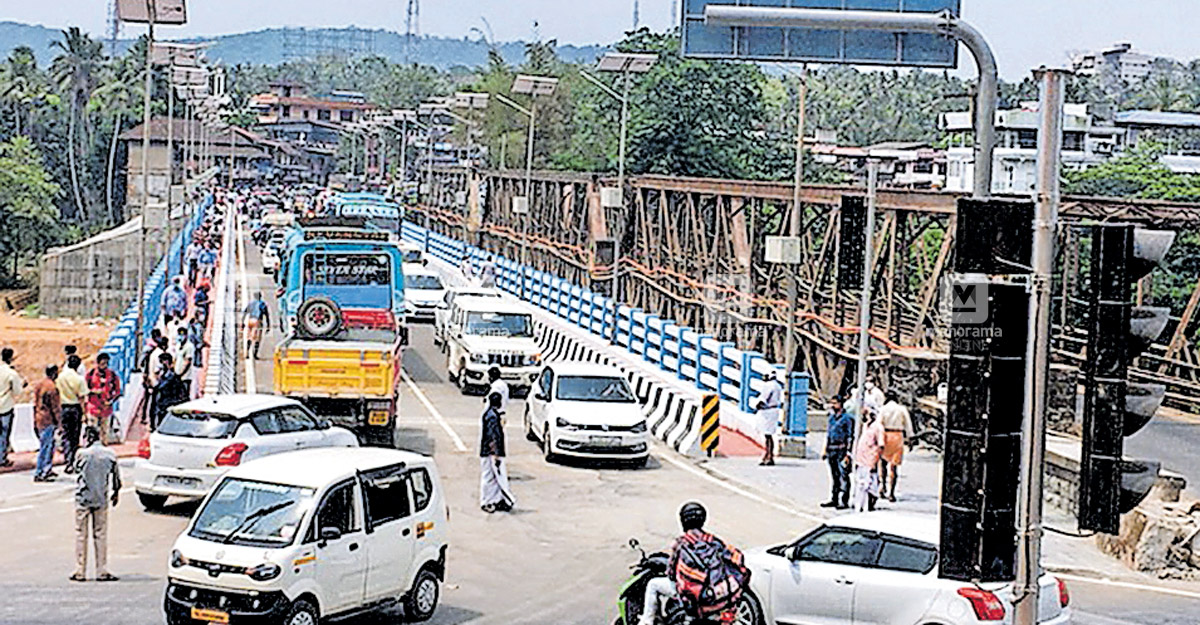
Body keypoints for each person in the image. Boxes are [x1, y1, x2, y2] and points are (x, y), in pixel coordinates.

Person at [639, 502, 747, 625]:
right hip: (722, 598)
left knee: (653, 584)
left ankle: (647, 621)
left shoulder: (681, 545)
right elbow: (736, 559)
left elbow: (671, 574)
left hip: (698, 601)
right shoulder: (713, 540)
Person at [71, 426, 121, 582]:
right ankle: (101, 570)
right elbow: (117, 479)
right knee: (100, 534)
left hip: (83, 498)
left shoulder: (81, 454)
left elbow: (75, 470)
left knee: (81, 534)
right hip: (101, 497)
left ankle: (80, 570)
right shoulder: (110, 454)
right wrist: (115, 493)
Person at [479, 392, 514, 513]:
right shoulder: (492, 417)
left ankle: (497, 499)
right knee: (490, 477)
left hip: (489, 451)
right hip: (491, 453)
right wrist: (496, 454)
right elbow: (493, 436)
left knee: (495, 478)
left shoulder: (489, 413)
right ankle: (486, 501)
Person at [878, 390, 914, 503]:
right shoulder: (901, 409)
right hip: (898, 436)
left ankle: (882, 487)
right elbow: (908, 425)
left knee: (883, 464)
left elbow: (879, 424)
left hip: (885, 435)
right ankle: (891, 493)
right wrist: (910, 438)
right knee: (894, 466)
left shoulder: (883, 409)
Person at [851, 404, 886, 512]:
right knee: (860, 486)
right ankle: (859, 507)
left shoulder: (878, 428)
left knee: (869, 487)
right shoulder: (866, 426)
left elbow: (880, 446)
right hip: (861, 460)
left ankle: (868, 508)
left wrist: (874, 462)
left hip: (869, 462)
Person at [821, 394, 854, 510]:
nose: (833, 405)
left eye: (835, 403)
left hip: (841, 449)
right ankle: (834, 499)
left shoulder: (847, 419)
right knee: (834, 475)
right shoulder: (831, 418)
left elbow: (850, 436)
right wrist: (825, 449)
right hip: (832, 449)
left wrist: (848, 453)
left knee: (843, 475)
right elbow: (829, 434)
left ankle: (844, 500)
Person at [57, 355, 88, 472]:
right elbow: (82, 397)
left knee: (66, 435)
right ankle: (73, 461)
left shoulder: (61, 377)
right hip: (75, 408)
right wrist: (84, 413)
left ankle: (67, 459)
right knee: (75, 437)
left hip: (64, 407)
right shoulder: (79, 379)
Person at [33, 365, 62, 482]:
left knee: (47, 445)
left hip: (39, 418)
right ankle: (42, 471)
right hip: (48, 419)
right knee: (46, 447)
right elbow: (55, 407)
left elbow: (35, 403)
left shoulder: (39, 385)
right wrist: (59, 422)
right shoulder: (52, 388)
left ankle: (46, 469)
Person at [85, 354, 122, 446]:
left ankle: (103, 447)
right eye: (102, 363)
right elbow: (84, 389)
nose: (104, 365)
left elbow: (117, 391)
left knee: (104, 431)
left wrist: (110, 401)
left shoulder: (112, 375)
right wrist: (93, 392)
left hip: (106, 409)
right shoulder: (91, 374)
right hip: (93, 407)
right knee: (92, 429)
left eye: (106, 363)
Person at [0, 347, 26, 468]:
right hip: (6, 407)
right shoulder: (12, 374)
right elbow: (17, 391)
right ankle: (2, 458)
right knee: (4, 434)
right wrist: (23, 384)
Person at [151, 353, 189, 431]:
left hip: (169, 410)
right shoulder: (160, 380)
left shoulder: (174, 379)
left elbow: (182, 396)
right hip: (161, 410)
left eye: (164, 362)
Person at [754, 370, 784, 466]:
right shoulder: (778, 386)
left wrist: (757, 406)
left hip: (767, 411)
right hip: (774, 410)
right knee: (769, 435)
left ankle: (768, 456)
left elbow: (763, 399)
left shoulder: (769, 386)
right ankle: (768, 455)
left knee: (767, 435)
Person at [242, 292, 271, 359]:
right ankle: (255, 354)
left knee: (249, 337)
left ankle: (247, 353)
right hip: (257, 321)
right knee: (257, 338)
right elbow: (266, 315)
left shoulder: (251, 303)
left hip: (250, 320)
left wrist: (242, 323)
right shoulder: (262, 304)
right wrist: (268, 325)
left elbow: (245, 312)